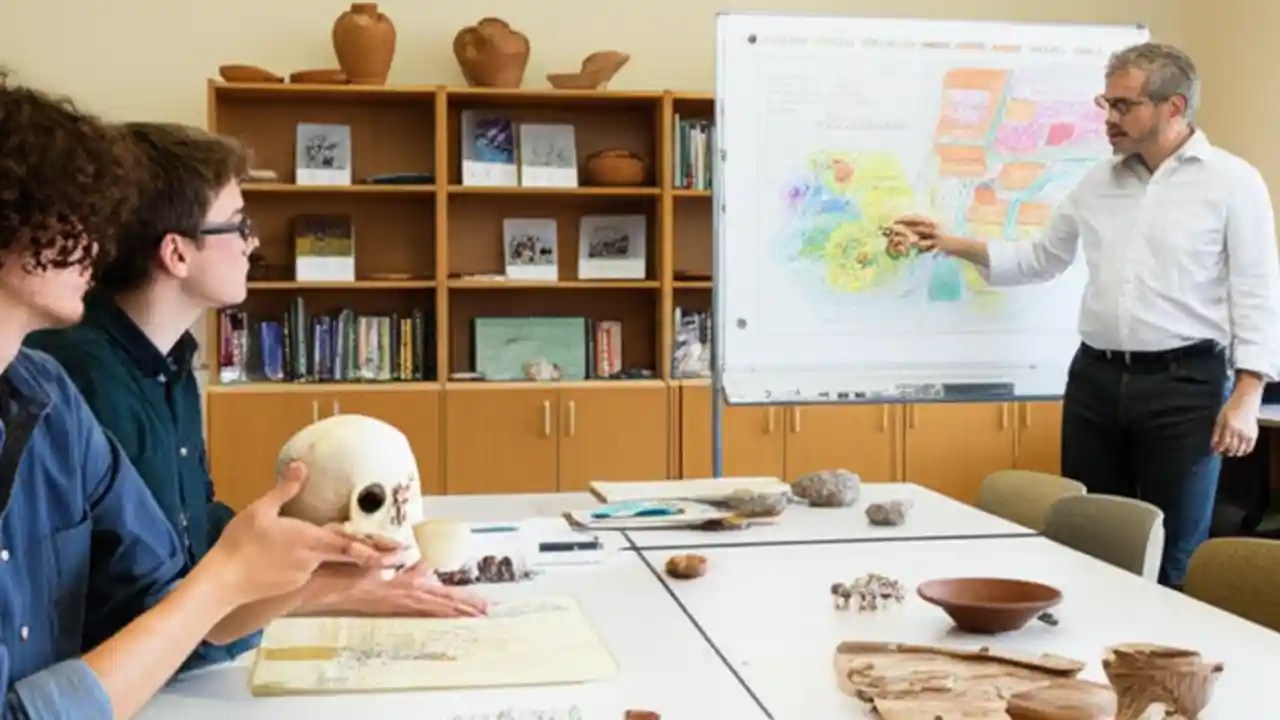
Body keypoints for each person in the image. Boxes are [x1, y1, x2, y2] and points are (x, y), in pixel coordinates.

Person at [0, 76, 400, 718]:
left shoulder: (51, 397)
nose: (94, 239)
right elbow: (171, 609)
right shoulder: (79, 375)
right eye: (67, 210)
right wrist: (249, 582)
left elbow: (169, 598)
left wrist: (309, 575)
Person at [24, 121, 488, 628]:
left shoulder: (172, 364)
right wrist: (327, 592)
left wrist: (319, 556)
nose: (254, 241)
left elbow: (195, 533)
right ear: (177, 253)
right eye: (238, 225)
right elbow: (142, 608)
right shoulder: (78, 379)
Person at [894, 42, 1280, 588]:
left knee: (1173, 552)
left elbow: (1258, 292)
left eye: (1124, 105)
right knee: (1091, 542)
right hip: (1096, 381)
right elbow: (1040, 259)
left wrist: (1248, 393)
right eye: (1106, 103)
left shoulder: (1233, 182)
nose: (1109, 118)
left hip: (1185, 386)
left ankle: (1161, 645)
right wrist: (949, 242)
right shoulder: (1098, 182)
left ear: (1173, 107)